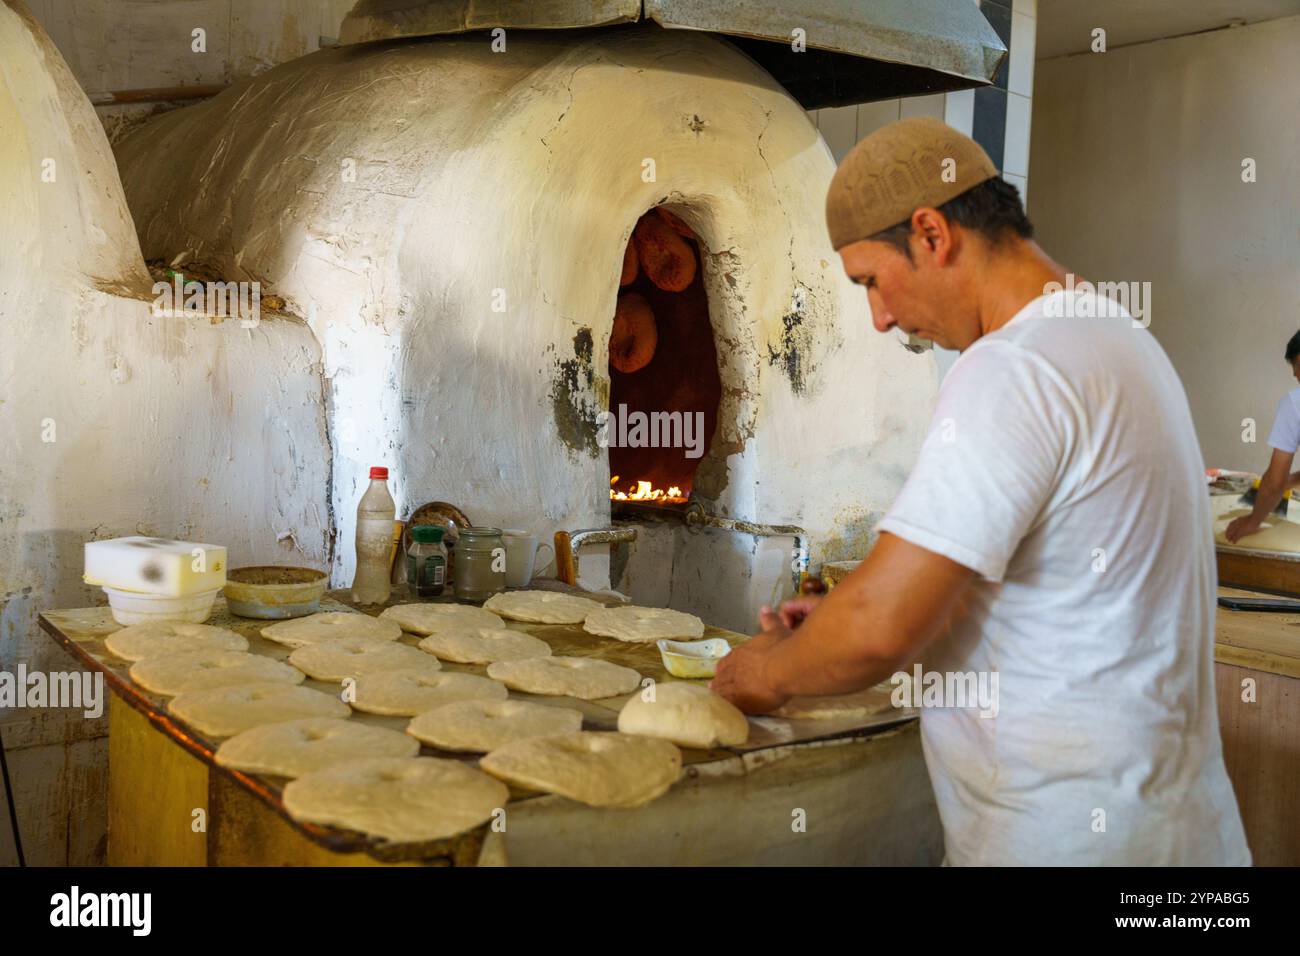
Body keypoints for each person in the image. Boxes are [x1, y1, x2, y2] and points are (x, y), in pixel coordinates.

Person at [711, 117, 1250, 866]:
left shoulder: (1014, 368)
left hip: (1067, 838)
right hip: (1178, 836)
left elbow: (880, 628)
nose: (881, 317)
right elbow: (1034, 591)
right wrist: (837, 620)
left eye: (871, 280)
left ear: (932, 234)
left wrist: (760, 674)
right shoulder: (1117, 338)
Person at [1224, 331, 1300, 542]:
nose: (1294, 375)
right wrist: (1290, 480)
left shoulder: (1294, 404)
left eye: (1295, 366)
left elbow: (1274, 483)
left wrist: (1253, 521)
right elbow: (1279, 483)